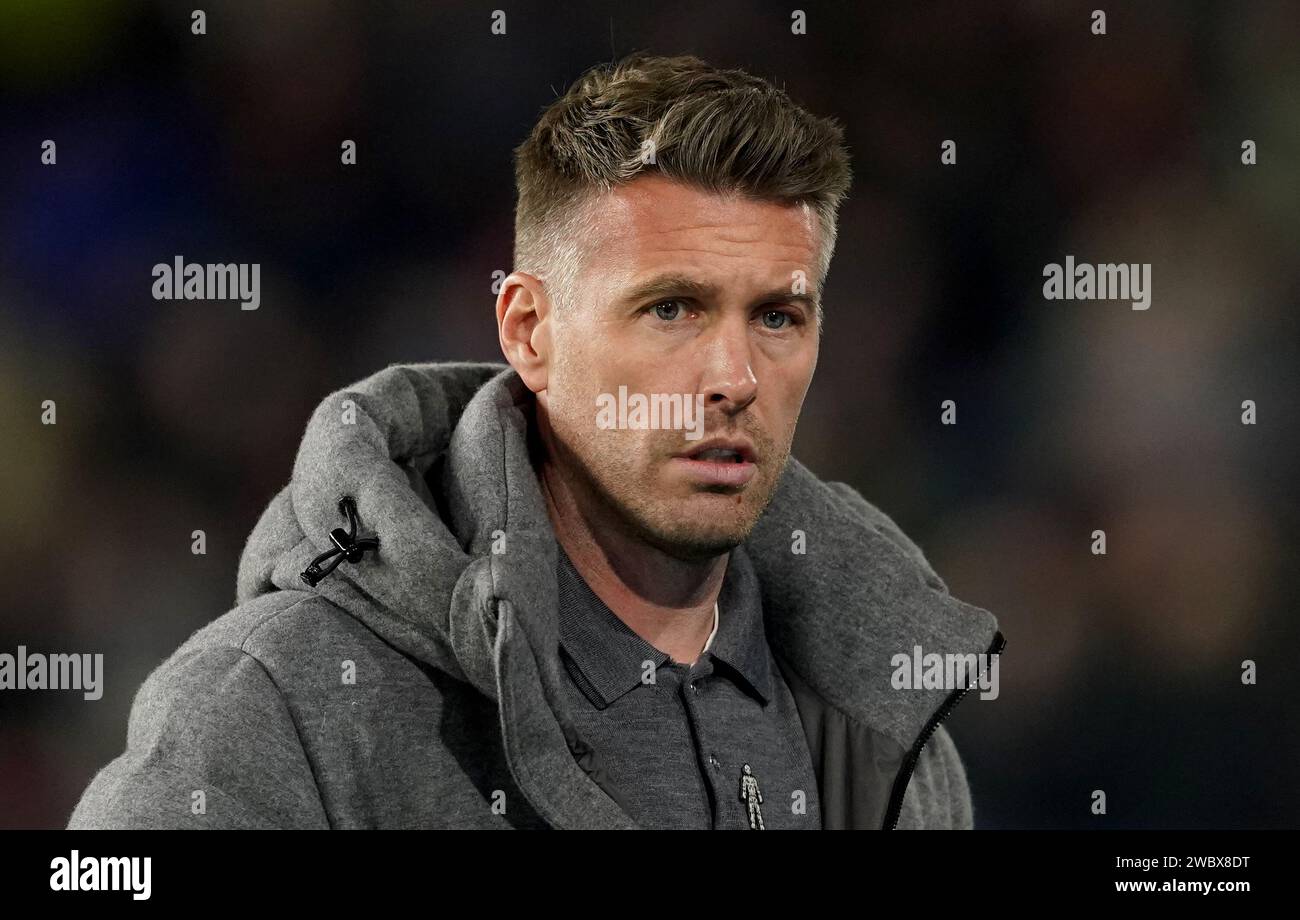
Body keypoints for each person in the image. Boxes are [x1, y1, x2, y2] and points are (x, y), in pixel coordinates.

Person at [69, 52, 1003, 830]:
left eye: (778, 316)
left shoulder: (884, 729)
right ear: (528, 332)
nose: (735, 377)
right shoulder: (274, 710)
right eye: (671, 307)